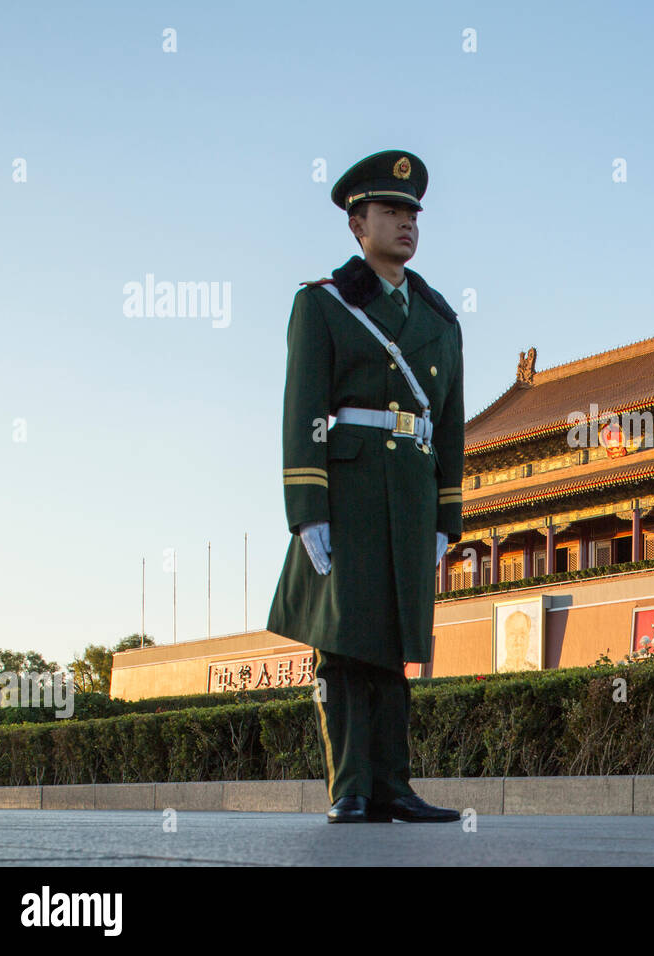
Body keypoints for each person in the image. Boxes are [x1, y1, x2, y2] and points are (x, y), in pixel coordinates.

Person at [267, 149, 465, 823]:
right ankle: (350, 785)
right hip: (347, 488)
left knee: (395, 642)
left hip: (410, 492)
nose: (405, 223)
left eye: (412, 213)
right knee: (346, 644)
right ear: (358, 225)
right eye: (390, 212)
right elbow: (304, 410)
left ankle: (394, 787)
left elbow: (452, 423)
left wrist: (447, 516)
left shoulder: (439, 319)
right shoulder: (323, 304)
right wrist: (306, 508)